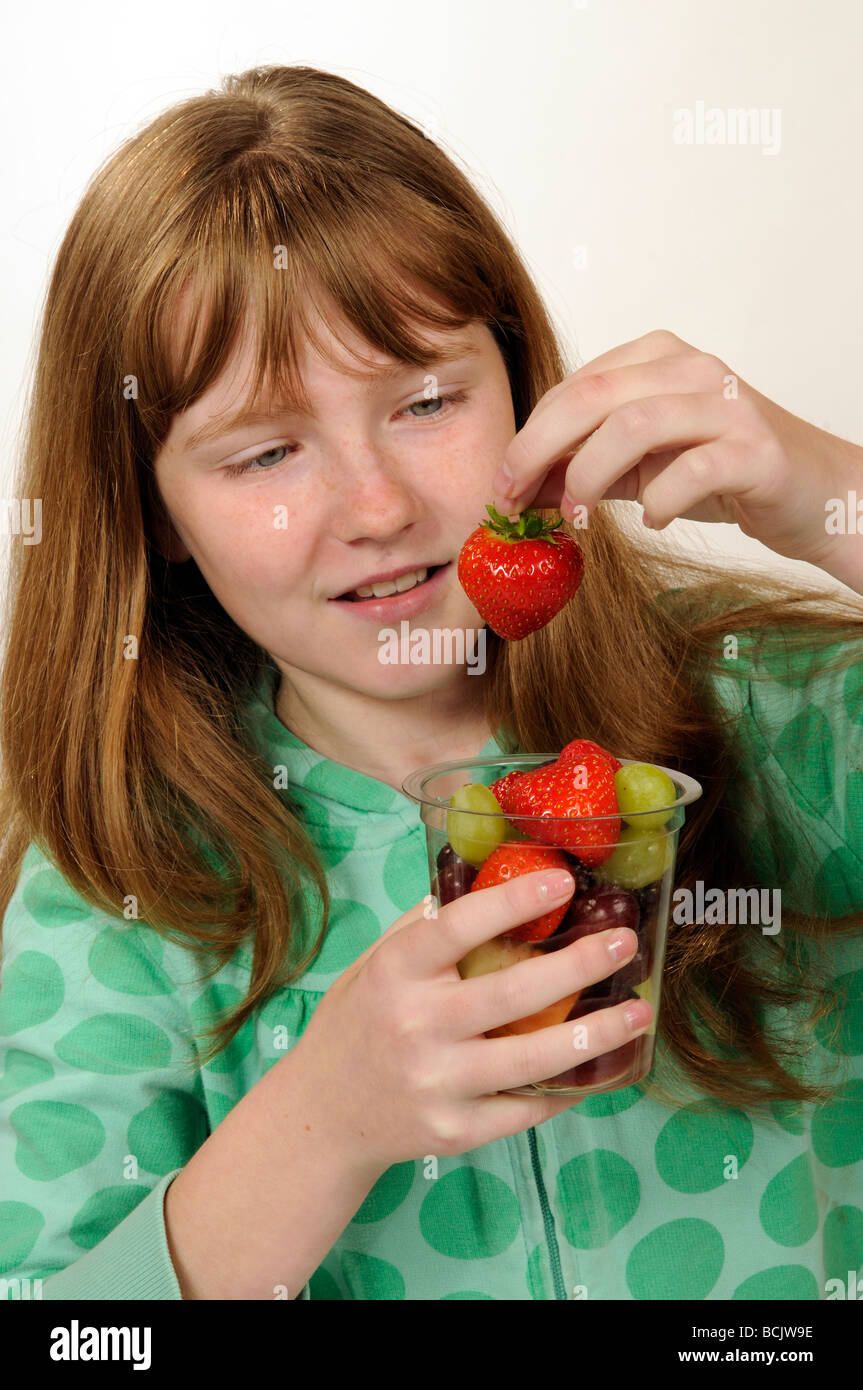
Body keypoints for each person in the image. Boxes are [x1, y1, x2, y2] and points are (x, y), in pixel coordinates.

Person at [1, 63, 861, 1302]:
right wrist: (320, 1127)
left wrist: (828, 497)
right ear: (156, 513)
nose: (378, 507)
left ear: (519, 382)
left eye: (423, 400)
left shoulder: (772, 724)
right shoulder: (120, 895)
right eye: (265, 451)